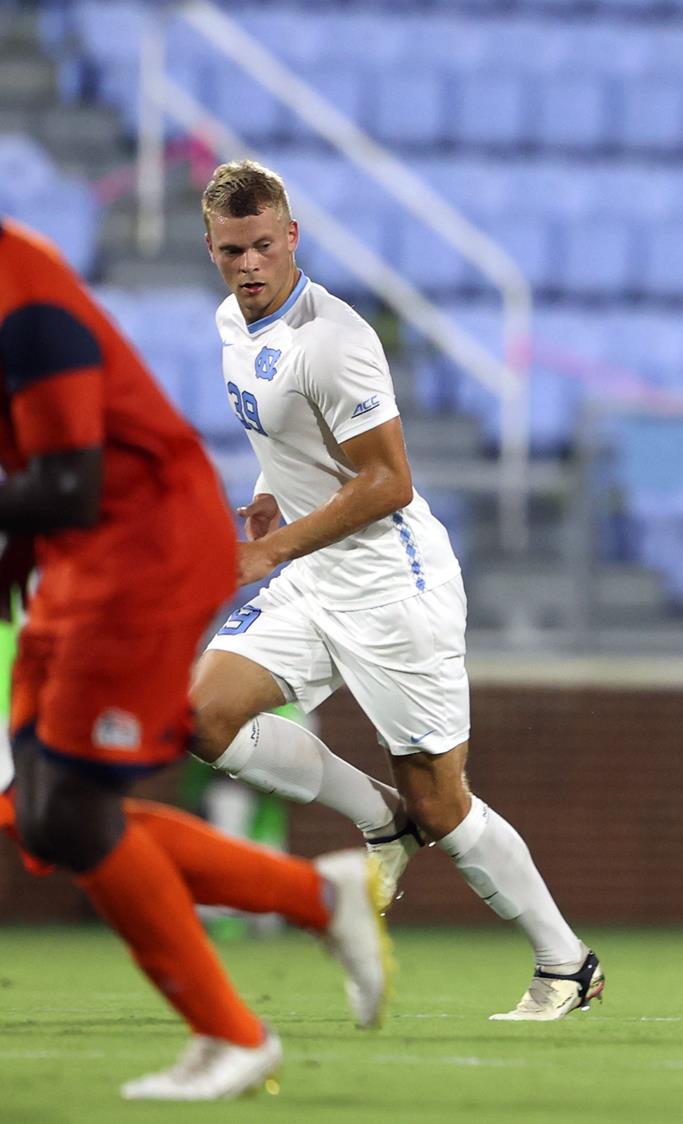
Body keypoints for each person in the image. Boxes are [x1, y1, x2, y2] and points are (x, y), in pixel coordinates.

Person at [185, 160, 601, 1020]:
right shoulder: (233, 322)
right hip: (316, 576)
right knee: (202, 715)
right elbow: (293, 431)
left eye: (264, 245)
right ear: (212, 248)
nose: (250, 265)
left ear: (293, 237)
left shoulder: (334, 339)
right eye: (233, 251)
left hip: (390, 586)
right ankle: (381, 819)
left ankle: (567, 964)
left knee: (443, 802)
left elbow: (390, 482)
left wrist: (271, 549)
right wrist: (275, 491)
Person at [0, 217, 388, 1099]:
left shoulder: (25, 300)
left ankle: (234, 1034)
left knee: (74, 813)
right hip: (79, 556)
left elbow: (71, 478)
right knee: (40, 813)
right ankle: (318, 898)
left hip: (142, 549)